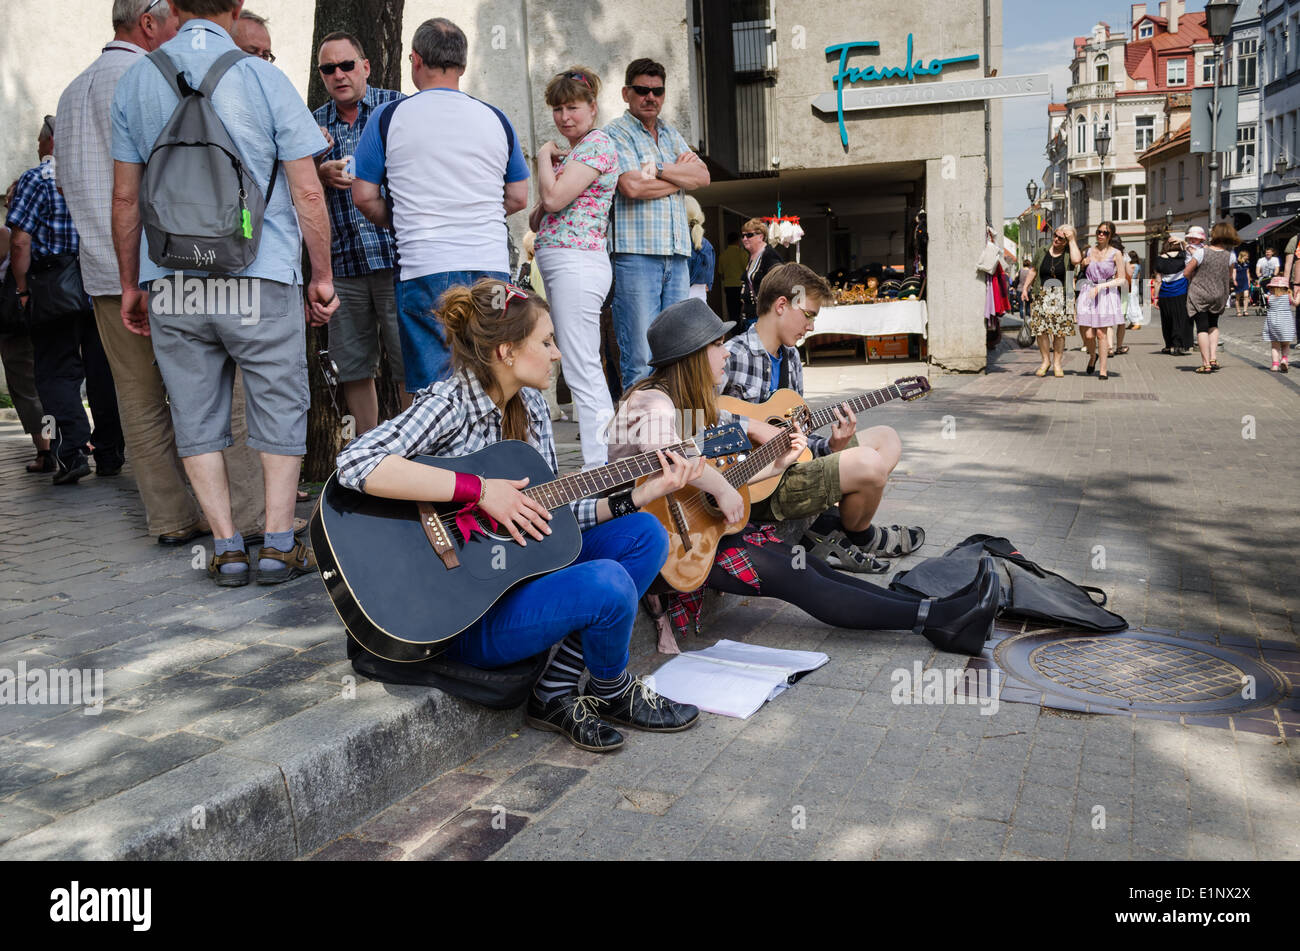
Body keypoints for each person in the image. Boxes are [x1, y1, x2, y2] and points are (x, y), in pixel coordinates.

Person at [334, 279, 702, 752]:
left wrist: (645, 491)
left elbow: (556, 515)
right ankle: (610, 689)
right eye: (546, 342)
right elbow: (355, 462)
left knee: (644, 534)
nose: (557, 354)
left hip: (515, 573)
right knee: (606, 583)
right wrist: (479, 490)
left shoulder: (529, 406)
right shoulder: (450, 403)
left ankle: (554, 690)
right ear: (506, 351)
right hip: (463, 610)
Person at [607, 298, 1000, 656]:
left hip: (699, 529)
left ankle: (940, 614)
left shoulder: (692, 402)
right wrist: (724, 489)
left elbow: (730, 441)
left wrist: (777, 462)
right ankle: (941, 619)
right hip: (665, 544)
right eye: (716, 344)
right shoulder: (649, 402)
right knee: (802, 580)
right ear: (692, 355)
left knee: (812, 568)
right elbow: (674, 457)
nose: (725, 351)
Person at [112, 0, 338, 585]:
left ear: (170, 7)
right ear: (235, 7)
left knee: (193, 411)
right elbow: (308, 193)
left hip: (173, 277)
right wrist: (321, 276)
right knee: (280, 404)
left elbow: (125, 200)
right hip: (258, 272)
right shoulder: (263, 77)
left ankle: (226, 548)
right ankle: (280, 544)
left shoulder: (138, 77)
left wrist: (131, 282)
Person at [56, 0, 270, 542]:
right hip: (164, 262)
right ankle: (242, 517)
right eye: (172, 19)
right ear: (149, 22)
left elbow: (67, 186)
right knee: (217, 387)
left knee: (139, 400)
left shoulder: (71, 90)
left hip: (103, 272)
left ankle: (171, 519)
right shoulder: (147, 76)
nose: (182, 30)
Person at [353, 17, 528, 393]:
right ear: (463, 65)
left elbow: (364, 196)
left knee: (437, 390)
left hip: (425, 267)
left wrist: (403, 220)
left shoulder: (388, 117)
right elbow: (518, 197)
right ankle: (498, 451)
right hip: (491, 268)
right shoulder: (496, 118)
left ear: (414, 60)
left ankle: (444, 454)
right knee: (495, 381)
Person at [722, 262, 924, 572]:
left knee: (887, 439)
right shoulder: (732, 354)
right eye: (809, 315)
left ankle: (846, 534)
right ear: (781, 305)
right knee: (869, 463)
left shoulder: (790, 357)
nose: (812, 327)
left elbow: (796, 434)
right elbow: (693, 418)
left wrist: (831, 446)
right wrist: (752, 425)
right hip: (756, 485)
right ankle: (861, 537)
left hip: (792, 466)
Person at [6, 117, 124, 485]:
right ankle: (109, 453)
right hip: (98, 280)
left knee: (52, 375)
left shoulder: (37, 178)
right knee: (103, 372)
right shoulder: (101, 173)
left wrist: (22, 290)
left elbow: (20, 240)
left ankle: (67, 451)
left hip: (52, 286)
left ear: (48, 143)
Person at [312, 31, 407, 437]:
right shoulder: (312, 124)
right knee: (352, 367)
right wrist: (317, 172)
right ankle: (371, 460)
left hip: (397, 256)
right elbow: (289, 190)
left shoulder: (397, 107)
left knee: (410, 363)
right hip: (344, 264)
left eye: (347, 64)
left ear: (365, 66)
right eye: (328, 68)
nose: (339, 74)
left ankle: (414, 454)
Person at [529, 65, 618, 469]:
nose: (565, 116)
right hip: (567, 263)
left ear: (592, 108)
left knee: (581, 365)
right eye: (558, 109)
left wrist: (544, 156)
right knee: (580, 361)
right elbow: (541, 213)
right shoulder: (579, 152)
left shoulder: (596, 145)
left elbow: (551, 201)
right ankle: (603, 459)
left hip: (577, 264)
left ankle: (602, 464)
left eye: (573, 107)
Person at [605, 57, 710, 388]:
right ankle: (641, 441)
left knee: (681, 357)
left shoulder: (670, 134)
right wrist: (681, 178)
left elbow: (703, 176)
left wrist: (658, 168)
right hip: (635, 257)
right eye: (642, 90)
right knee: (640, 361)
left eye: (658, 91)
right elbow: (632, 186)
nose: (650, 97)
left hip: (677, 258)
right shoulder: (614, 133)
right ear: (626, 93)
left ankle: (676, 436)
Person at [0, 189, 51, 472]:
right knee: (50, 383)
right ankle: (57, 443)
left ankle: (45, 450)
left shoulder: (8, 234)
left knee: (26, 388)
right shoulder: (51, 228)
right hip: (52, 310)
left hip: (17, 319)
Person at [1026, 224, 1081, 377]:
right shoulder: (1042, 251)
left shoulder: (1070, 253)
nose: (1056, 239)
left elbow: (1077, 260)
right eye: (1055, 236)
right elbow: (1033, 270)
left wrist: (1071, 240)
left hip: (1062, 296)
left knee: (1059, 333)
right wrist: (1025, 288)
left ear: (1067, 240)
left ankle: (1057, 363)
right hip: (1041, 294)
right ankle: (1045, 361)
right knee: (1041, 331)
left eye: (1061, 238)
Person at [1183, 222, 1237, 374]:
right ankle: (1213, 358)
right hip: (1219, 294)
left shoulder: (1201, 253)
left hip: (1200, 293)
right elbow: (1229, 275)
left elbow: (1187, 272)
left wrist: (1195, 278)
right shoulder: (1230, 256)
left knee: (1201, 328)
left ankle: (1205, 363)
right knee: (1213, 325)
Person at [1075, 220, 1125, 380]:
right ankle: (1092, 356)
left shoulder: (1116, 253)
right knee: (1088, 334)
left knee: (1101, 333)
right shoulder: (1089, 251)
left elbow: (1121, 279)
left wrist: (1101, 287)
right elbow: (1081, 270)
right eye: (1099, 232)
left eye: (1105, 233)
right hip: (1088, 292)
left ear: (1111, 235)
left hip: (1105, 293)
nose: (1101, 235)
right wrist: (1083, 264)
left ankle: (1103, 369)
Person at [737, 218, 783, 333]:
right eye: (743, 236)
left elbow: (779, 281)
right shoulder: (753, 256)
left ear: (761, 236)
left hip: (762, 315)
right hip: (750, 315)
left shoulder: (769, 255)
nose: (745, 239)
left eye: (749, 235)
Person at [1153, 235, 1191, 355]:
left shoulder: (1159, 259)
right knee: (1180, 320)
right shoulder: (1184, 256)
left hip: (1165, 294)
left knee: (1167, 320)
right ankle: (1178, 345)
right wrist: (1183, 241)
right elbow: (1192, 252)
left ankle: (1169, 345)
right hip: (1181, 293)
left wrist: (1155, 297)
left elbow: (1158, 281)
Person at [1263, 275, 1298, 372]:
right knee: (1285, 345)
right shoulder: (1288, 297)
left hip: (1273, 324)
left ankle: (1275, 365)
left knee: (1275, 346)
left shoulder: (1270, 298)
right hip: (1285, 324)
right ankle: (1284, 359)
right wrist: (1298, 294)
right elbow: (1296, 303)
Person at [685, 196, 715, 302]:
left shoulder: (679, 244)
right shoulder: (707, 245)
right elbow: (707, 285)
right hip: (701, 304)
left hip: (680, 303)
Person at [718, 231, 747, 321]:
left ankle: (734, 331)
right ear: (738, 241)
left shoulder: (723, 255)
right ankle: (742, 330)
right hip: (741, 286)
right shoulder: (743, 254)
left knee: (732, 311)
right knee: (742, 310)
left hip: (729, 287)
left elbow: (721, 274)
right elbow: (748, 271)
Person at [1124, 250, 1145, 334]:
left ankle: (1136, 322)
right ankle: (1133, 322)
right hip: (1135, 284)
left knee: (1130, 303)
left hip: (1130, 284)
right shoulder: (1138, 266)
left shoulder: (1130, 265)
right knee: (1134, 303)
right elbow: (1138, 277)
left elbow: (1128, 274)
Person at [1233, 250, 1252, 319]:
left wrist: (1249, 281)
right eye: (1246, 256)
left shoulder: (1247, 263)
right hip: (1238, 280)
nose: (1247, 257)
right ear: (1243, 256)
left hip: (1245, 281)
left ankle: (1245, 310)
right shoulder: (1236, 263)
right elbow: (1234, 272)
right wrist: (1234, 280)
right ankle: (1238, 311)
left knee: (1246, 296)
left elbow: (1247, 272)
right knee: (1237, 297)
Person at [1016, 257, 1034, 321]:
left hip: (1020, 289)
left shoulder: (1020, 270)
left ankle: (1021, 319)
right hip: (1028, 289)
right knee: (1028, 304)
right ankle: (1028, 318)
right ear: (1029, 264)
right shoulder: (1030, 271)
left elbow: (1016, 278)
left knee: (1021, 305)